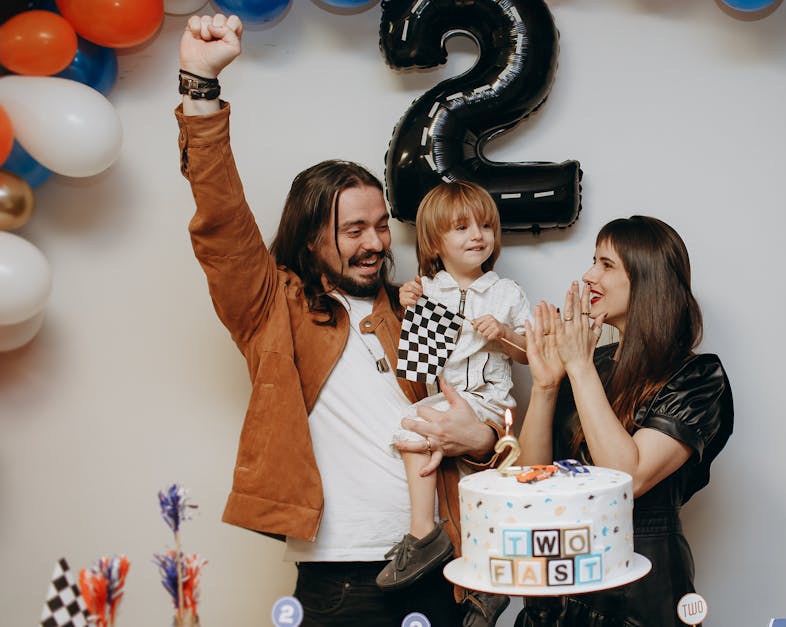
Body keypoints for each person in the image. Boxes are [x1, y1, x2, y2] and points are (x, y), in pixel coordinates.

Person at [175, 14, 505, 626]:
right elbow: (221, 219)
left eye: (381, 225)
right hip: (343, 580)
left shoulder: (414, 309)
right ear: (310, 237)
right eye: (354, 229)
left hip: (447, 569)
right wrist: (200, 87)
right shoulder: (272, 308)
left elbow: (464, 412)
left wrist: (481, 438)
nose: (376, 241)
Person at [514, 216, 734, 626]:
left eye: (606, 264)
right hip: (563, 573)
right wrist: (545, 386)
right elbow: (531, 477)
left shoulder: (697, 377)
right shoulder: (592, 365)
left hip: (639, 585)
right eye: (592, 261)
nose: (588, 276)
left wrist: (577, 368)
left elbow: (627, 479)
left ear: (648, 280)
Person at [376, 180, 531, 591]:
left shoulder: (506, 293)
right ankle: (442, 546)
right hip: (445, 399)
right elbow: (417, 356)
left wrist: (503, 334)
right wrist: (409, 301)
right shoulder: (428, 289)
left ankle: (424, 534)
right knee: (415, 435)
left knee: (470, 483)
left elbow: (531, 354)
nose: (477, 235)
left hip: (488, 404)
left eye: (484, 225)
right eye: (461, 228)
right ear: (434, 242)